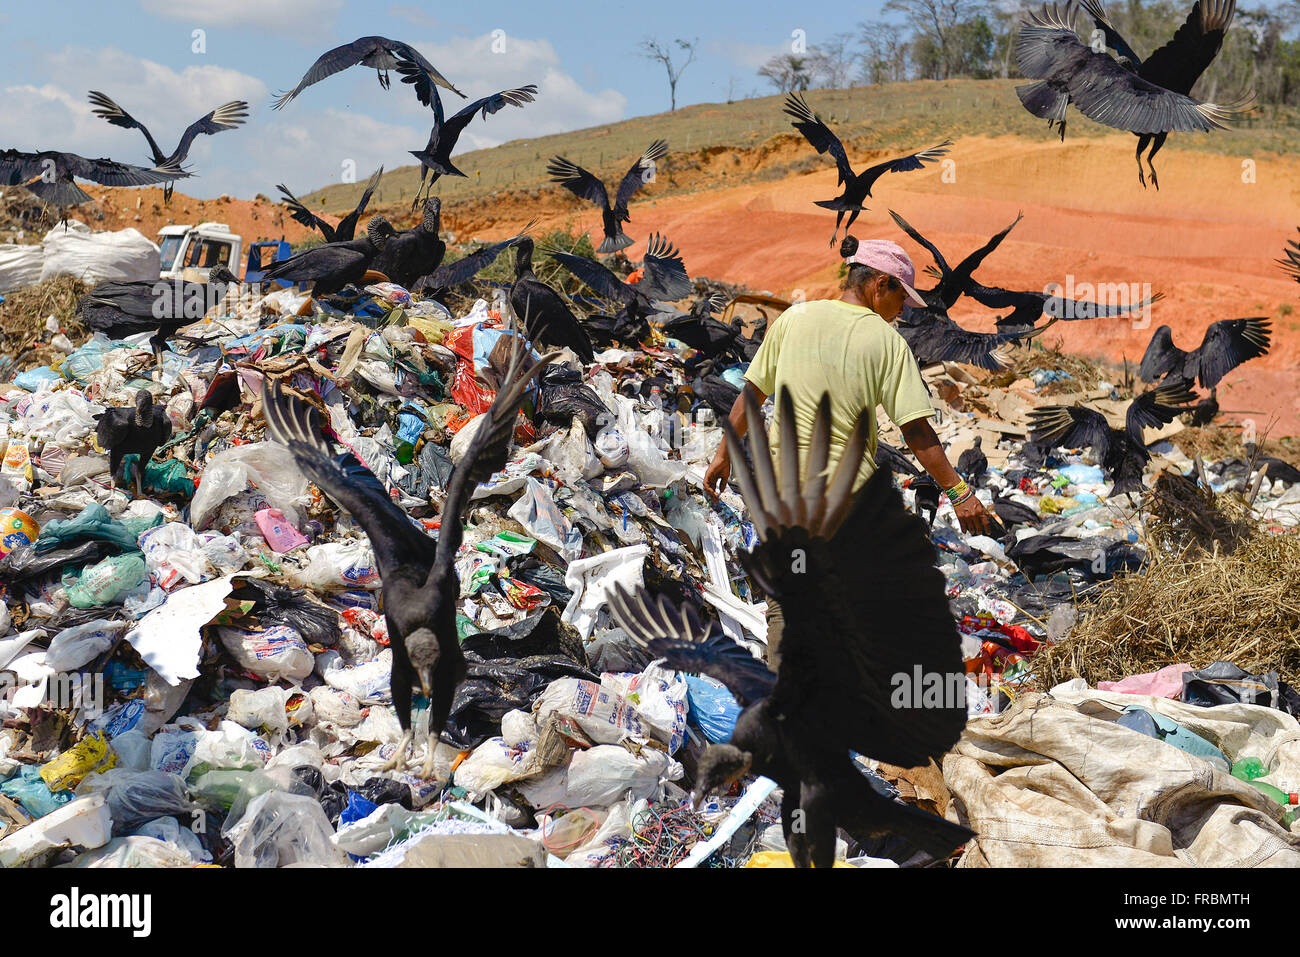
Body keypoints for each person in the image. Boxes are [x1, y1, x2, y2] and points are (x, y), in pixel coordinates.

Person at [704, 235, 997, 666]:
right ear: (880, 285)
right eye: (901, 297)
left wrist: (723, 454)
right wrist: (959, 492)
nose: (903, 311)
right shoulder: (886, 342)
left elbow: (751, 393)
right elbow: (916, 431)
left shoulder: (793, 319)